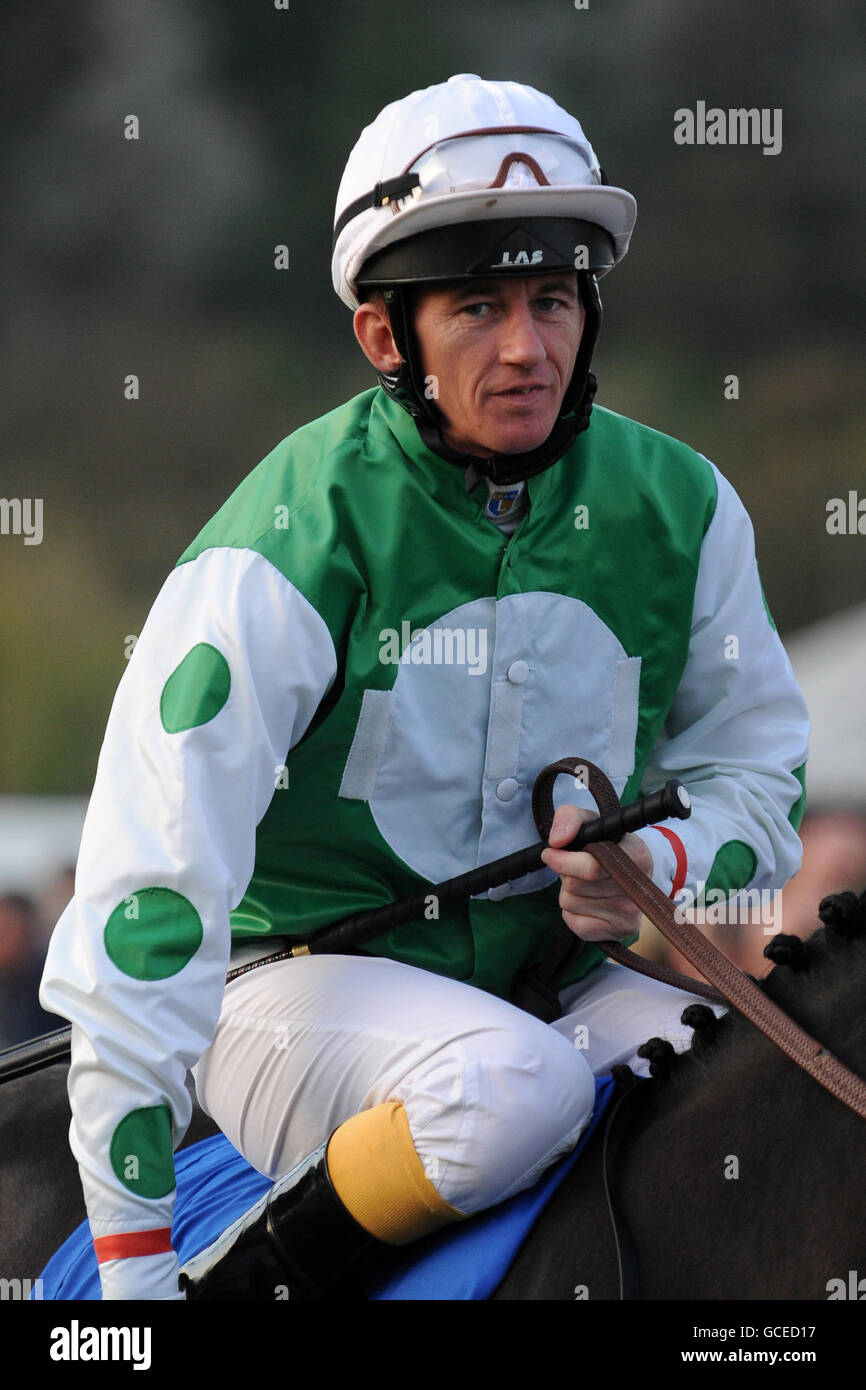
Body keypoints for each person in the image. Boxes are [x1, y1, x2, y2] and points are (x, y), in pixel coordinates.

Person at [39, 73, 809, 1301]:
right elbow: (149, 901)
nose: (525, 347)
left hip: (551, 984)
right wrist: (131, 1265)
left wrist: (657, 865)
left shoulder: (684, 503)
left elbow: (757, 778)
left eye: (552, 299)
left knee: (778, 1097)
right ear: (384, 335)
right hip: (277, 992)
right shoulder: (286, 537)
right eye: (477, 306)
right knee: (512, 1087)